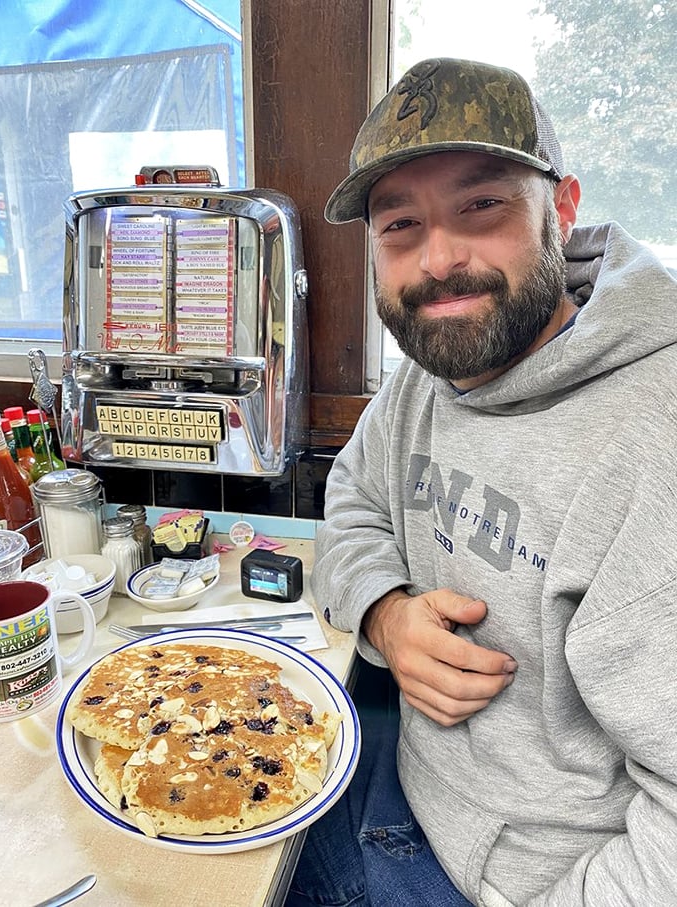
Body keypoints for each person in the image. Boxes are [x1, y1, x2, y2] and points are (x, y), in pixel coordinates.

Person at [286, 58, 677, 906]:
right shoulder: (433, 366)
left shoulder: (655, 437)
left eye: (480, 206)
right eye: (400, 225)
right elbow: (351, 498)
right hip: (390, 774)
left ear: (561, 208)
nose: (440, 261)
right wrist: (384, 613)